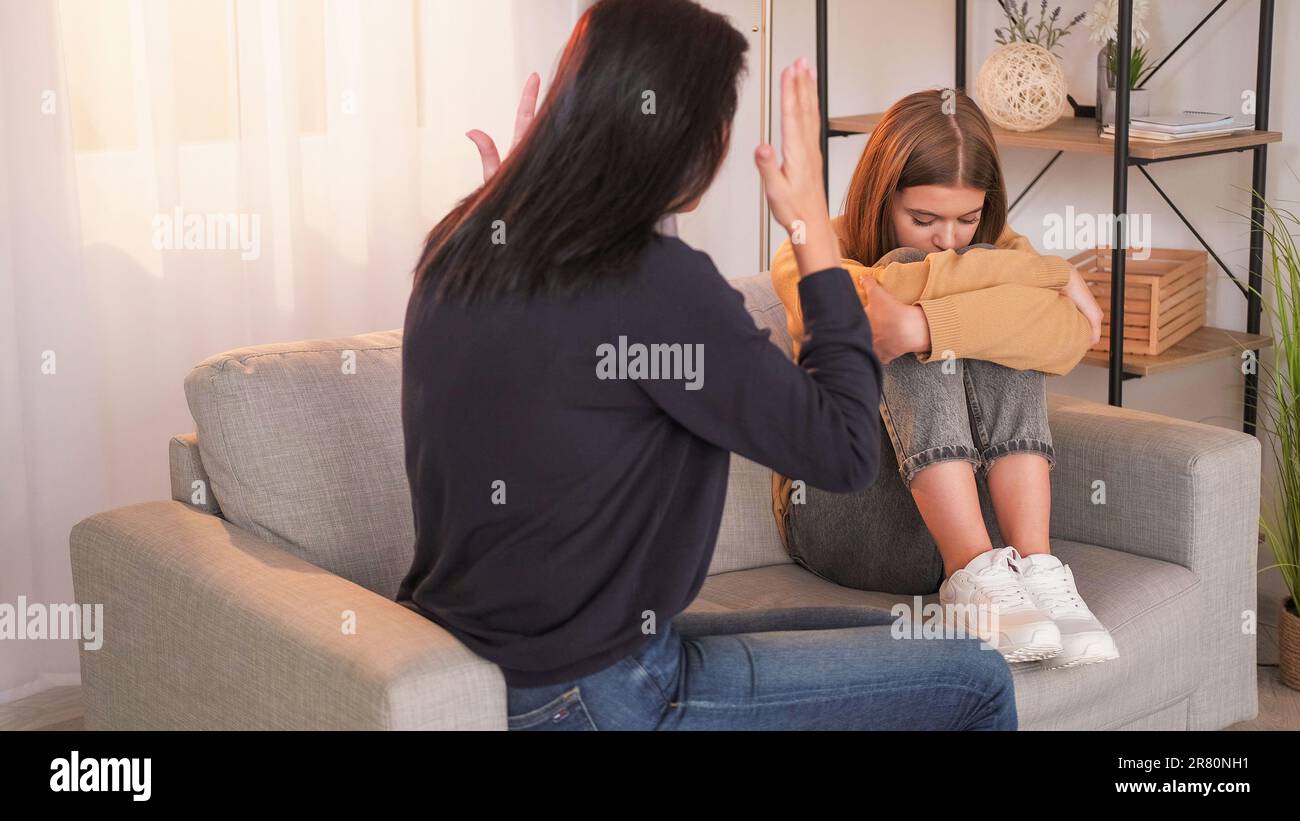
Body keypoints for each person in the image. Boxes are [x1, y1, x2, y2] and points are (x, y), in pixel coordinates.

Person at [397, 0, 1016, 730]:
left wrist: (520, 197)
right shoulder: (657, 284)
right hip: (604, 693)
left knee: (923, 639)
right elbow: (845, 451)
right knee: (979, 678)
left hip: (498, 660)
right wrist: (813, 227)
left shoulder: (461, 244)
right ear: (698, 140)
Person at [770, 89, 1119, 669]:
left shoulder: (997, 247)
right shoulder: (809, 249)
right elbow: (870, 307)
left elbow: (1072, 337)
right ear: (881, 199)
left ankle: (1035, 568)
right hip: (847, 518)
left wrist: (926, 322)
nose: (950, 239)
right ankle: (971, 572)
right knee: (907, 274)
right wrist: (1047, 275)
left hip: (984, 530)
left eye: (968, 219)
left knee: (991, 331)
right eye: (924, 218)